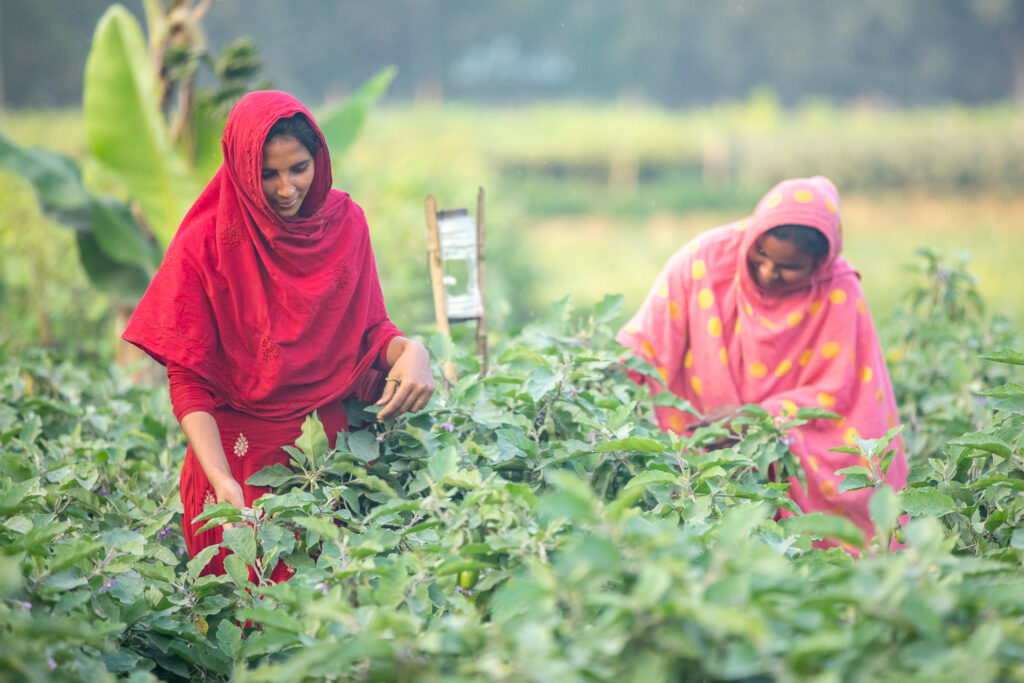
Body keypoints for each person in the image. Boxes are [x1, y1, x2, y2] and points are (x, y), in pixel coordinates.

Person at [123, 91, 434, 580]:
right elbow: (188, 382)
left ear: (319, 160)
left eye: (299, 168)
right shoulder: (205, 242)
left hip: (328, 470)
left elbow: (371, 331)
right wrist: (221, 479)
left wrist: (413, 351)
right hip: (235, 472)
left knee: (330, 630)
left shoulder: (344, 223)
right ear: (242, 169)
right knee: (242, 634)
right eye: (268, 174)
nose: (287, 188)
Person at [617, 176, 906, 549]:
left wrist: (756, 419)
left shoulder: (838, 289)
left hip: (794, 450)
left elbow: (839, 392)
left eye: (789, 267)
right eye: (762, 255)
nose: (768, 272)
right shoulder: (704, 261)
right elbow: (645, 346)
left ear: (820, 263)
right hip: (707, 443)